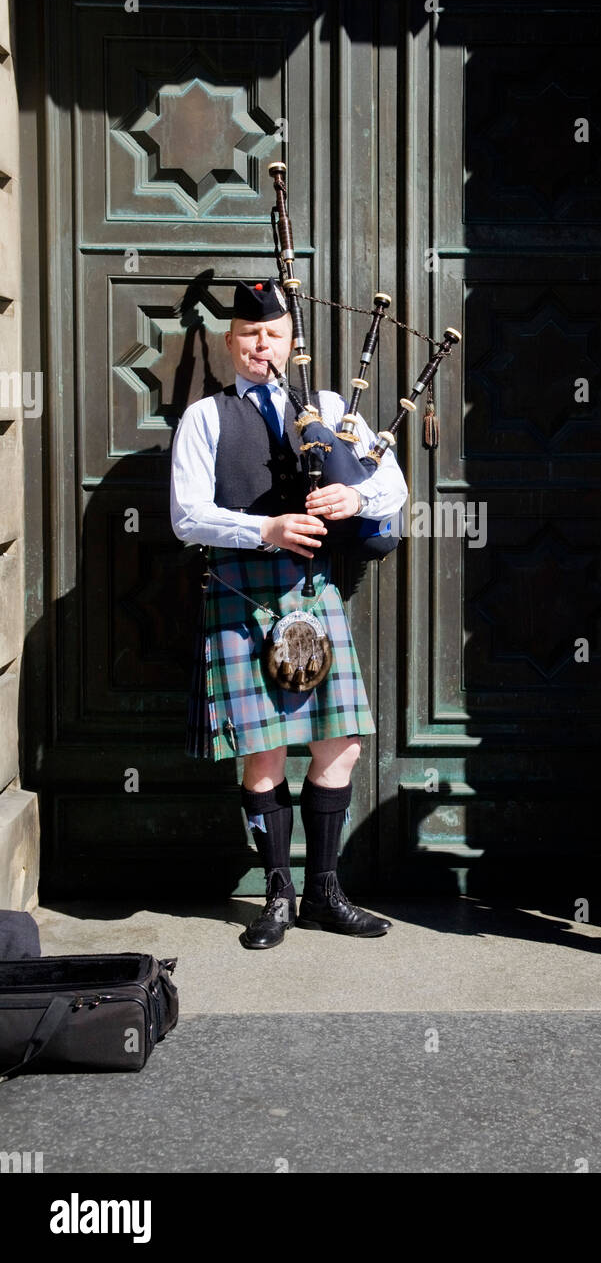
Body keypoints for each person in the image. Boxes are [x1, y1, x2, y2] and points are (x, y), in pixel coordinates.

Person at [170, 278, 408, 949]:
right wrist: (263, 529)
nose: (260, 345)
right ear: (230, 342)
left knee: (342, 743)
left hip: (314, 592)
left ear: (292, 342)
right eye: (248, 334)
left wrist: (354, 503)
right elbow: (186, 516)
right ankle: (277, 893)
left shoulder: (331, 407)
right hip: (242, 592)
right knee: (263, 753)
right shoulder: (206, 418)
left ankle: (325, 891)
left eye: (272, 334)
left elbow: (389, 485)